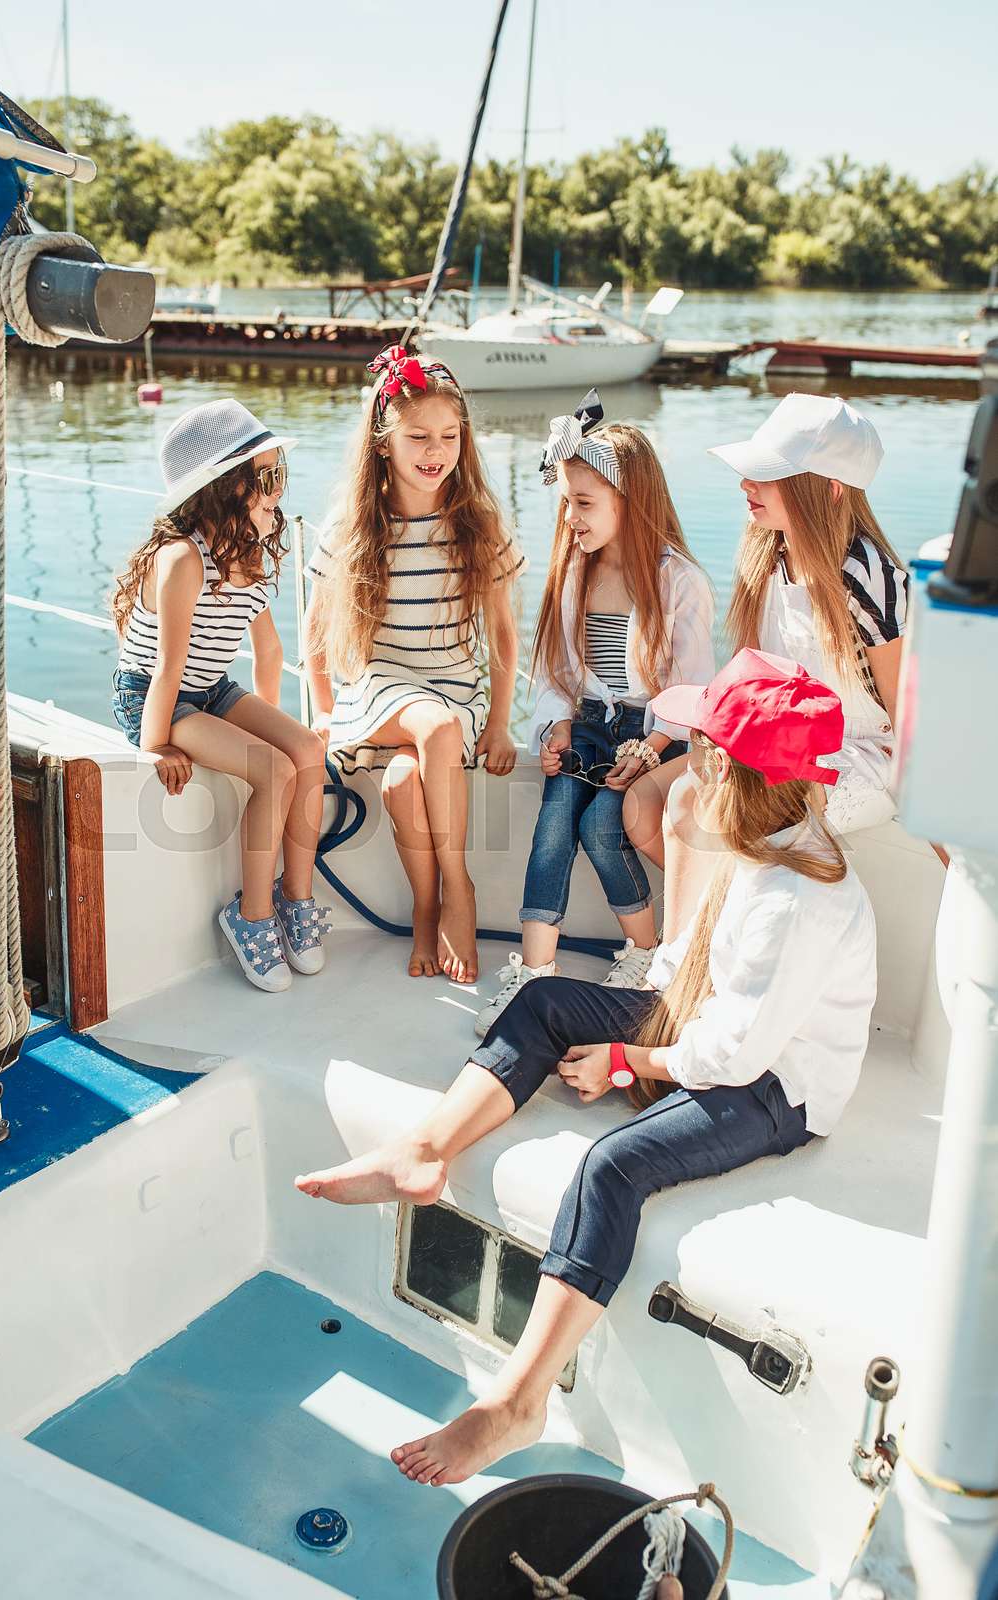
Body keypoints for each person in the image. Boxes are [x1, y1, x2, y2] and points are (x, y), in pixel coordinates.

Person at [295, 649, 878, 1488]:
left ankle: (515, 1403)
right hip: (715, 1029)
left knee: (612, 1167)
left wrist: (626, 1059)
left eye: (701, 747)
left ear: (730, 769)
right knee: (537, 1004)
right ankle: (423, 1150)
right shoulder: (751, 840)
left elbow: (733, 1056)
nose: (689, 759)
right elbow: (692, 972)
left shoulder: (801, 899)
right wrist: (630, 1026)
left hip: (777, 1089)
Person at [475, 390, 714, 1036]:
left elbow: (689, 687)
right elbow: (554, 671)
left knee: (603, 827)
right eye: (566, 504)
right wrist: (552, 725)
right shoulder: (574, 573)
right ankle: (532, 978)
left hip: (647, 734)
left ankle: (644, 954)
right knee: (553, 827)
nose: (570, 519)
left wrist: (655, 745)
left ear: (629, 502)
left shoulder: (677, 581)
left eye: (583, 504)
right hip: (585, 724)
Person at [303, 345, 525, 985]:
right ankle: (459, 887)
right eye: (419, 436)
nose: (436, 450)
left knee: (405, 783)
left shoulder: (479, 524)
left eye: (450, 436)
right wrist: (321, 709)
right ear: (383, 442)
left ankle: (427, 908)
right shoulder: (351, 525)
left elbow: (505, 638)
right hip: (376, 689)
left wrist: (502, 725)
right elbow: (316, 632)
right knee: (432, 728)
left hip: (455, 687)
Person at [654, 393, 910, 943]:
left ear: (831, 487)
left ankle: (711, 967)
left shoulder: (867, 577)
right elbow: (751, 682)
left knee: (752, 813)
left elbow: (904, 706)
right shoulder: (766, 556)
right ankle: (674, 965)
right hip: (779, 740)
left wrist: (939, 827)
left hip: (859, 753)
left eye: (766, 476)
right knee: (678, 800)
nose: (746, 486)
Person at [111, 398, 330, 993]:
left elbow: (270, 655)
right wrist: (156, 747)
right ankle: (251, 915)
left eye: (280, 475)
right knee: (274, 772)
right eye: (268, 479)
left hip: (210, 689)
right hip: (158, 699)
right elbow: (165, 670)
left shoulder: (250, 554)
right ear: (225, 489)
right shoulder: (183, 559)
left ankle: (295, 898)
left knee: (307, 751)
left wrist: (267, 725)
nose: (278, 493)